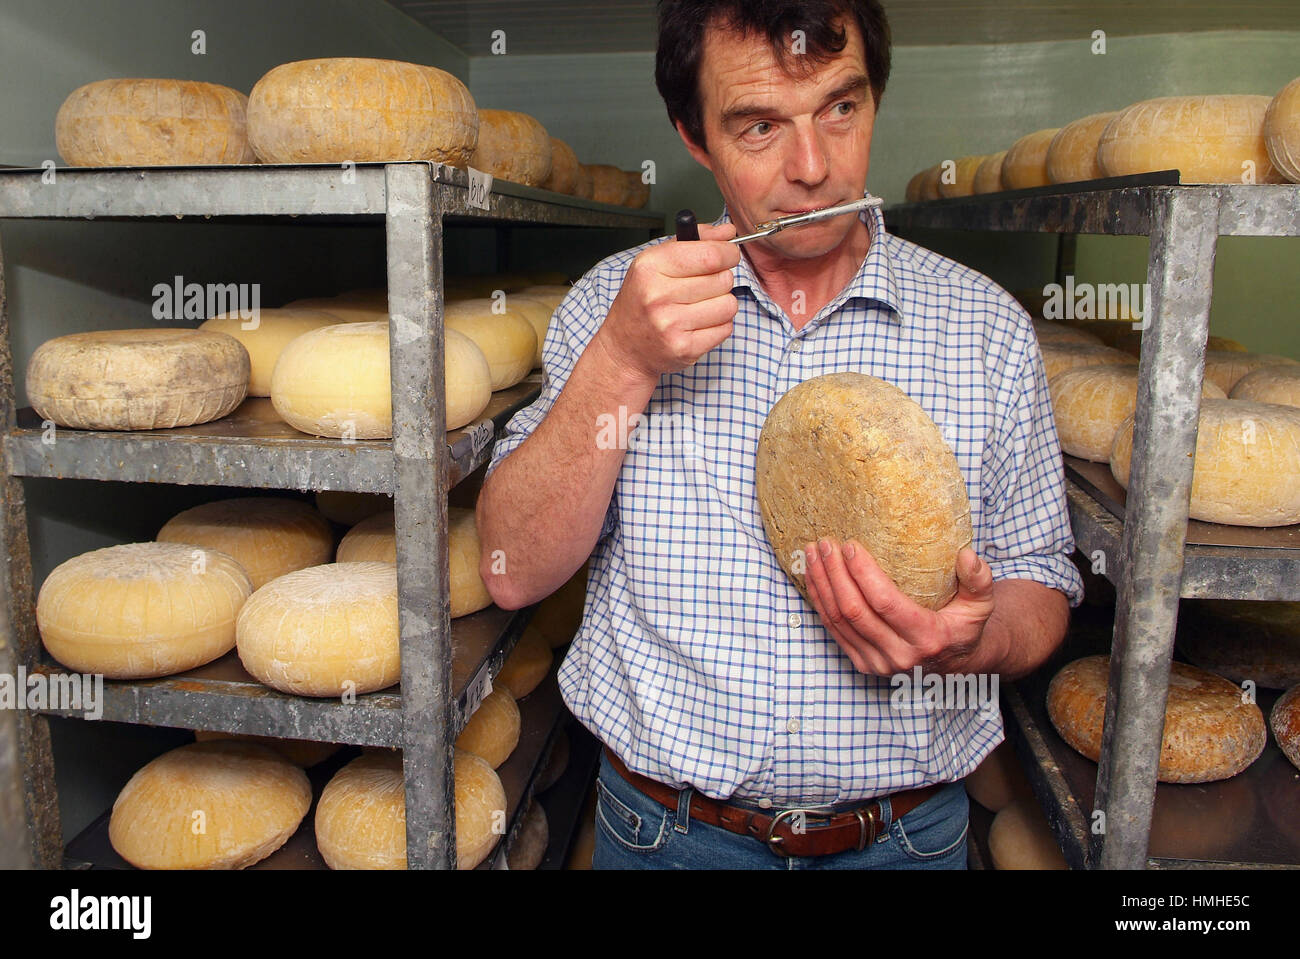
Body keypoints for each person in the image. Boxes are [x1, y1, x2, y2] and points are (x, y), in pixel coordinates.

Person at [477, 0, 1082, 870]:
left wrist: (972, 644)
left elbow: (1041, 578)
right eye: (760, 125)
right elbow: (510, 569)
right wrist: (622, 360)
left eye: (840, 108)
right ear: (693, 134)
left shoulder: (985, 326)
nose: (813, 169)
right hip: (665, 837)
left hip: (906, 840)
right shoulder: (612, 308)